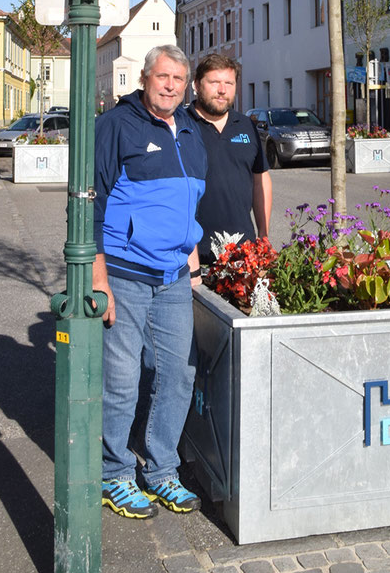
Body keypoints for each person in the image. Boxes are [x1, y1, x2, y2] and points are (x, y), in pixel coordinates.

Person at [93, 44, 207, 519]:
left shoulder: (190, 132)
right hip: (124, 273)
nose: (171, 85)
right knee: (121, 380)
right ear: (145, 78)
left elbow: (188, 205)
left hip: (175, 275)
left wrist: (193, 262)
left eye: (179, 80)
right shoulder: (116, 126)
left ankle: (161, 471)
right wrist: (97, 278)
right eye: (163, 76)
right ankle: (113, 473)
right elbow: (89, 201)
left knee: (178, 374)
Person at [188, 52, 272, 264]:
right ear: (196, 85)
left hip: (243, 251)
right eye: (214, 82)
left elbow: (260, 179)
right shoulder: (181, 125)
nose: (222, 90)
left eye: (229, 83)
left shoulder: (246, 126)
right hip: (194, 253)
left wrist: (263, 233)